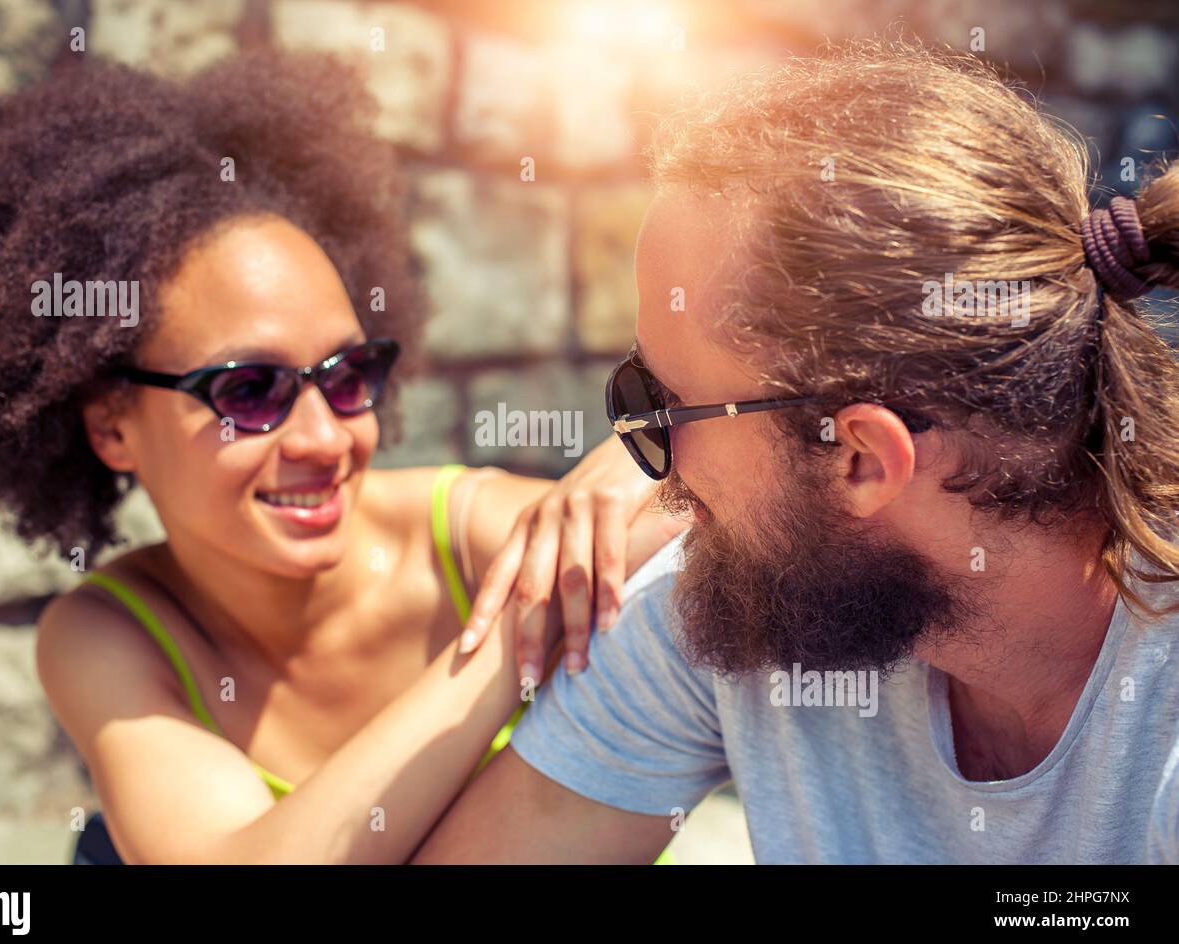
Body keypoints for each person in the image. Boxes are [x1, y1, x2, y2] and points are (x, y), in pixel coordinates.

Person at [0, 50, 683, 864]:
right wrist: (508, 642)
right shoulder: (112, 632)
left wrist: (637, 461)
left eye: (349, 376)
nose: (323, 437)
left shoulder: (470, 532)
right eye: (248, 390)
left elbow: (709, 522)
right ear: (112, 426)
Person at [412, 39, 1179, 864]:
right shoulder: (739, 600)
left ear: (861, 460)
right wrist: (524, 621)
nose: (643, 462)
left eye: (659, 405)